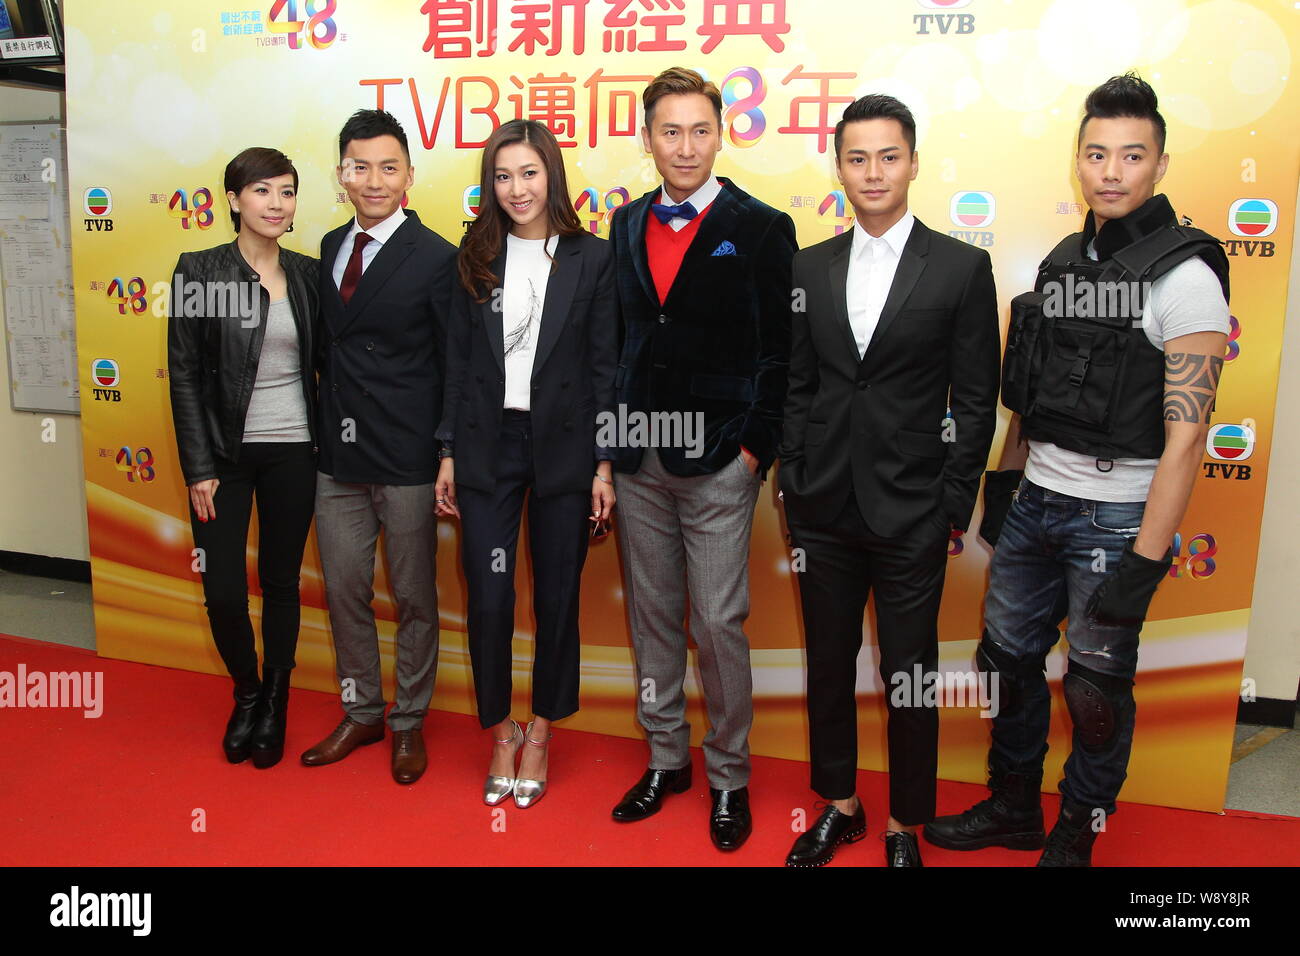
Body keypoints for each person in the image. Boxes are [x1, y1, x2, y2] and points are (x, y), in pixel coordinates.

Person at [924, 74, 1230, 866]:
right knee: (1006, 663)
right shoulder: (1066, 260)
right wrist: (1003, 482)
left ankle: (1076, 833)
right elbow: (1033, 392)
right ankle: (1016, 807)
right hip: (1037, 500)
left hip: (1118, 514)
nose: (1112, 171)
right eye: (1096, 154)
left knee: (1095, 690)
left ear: (1160, 164)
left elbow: (1189, 438)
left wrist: (1145, 559)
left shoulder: (1186, 279)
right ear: (1078, 161)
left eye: (1132, 155)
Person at [778, 95, 1002, 867]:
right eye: (857, 157)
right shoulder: (809, 264)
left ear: (913, 161)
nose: (872, 172)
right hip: (822, 509)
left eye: (888, 156)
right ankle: (839, 805)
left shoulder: (962, 267)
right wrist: (793, 478)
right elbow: (798, 384)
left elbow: (975, 402)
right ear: (838, 166)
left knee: (909, 678)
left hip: (912, 512)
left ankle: (907, 821)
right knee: (829, 669)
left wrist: (950, 504)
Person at [605, 67, 797, 851]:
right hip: (637, 458)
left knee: (718, 624)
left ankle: (728, 776)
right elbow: (618, 339)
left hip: (720, 458)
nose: (684, 146)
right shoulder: (622, 225)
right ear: (647, 137)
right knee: (652, 619)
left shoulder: (760, 225)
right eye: (669, 131)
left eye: (699, 130)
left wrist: (755, 449)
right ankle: (665, 758)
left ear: (722, 133)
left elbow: (781, 354)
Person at [433, 120, 617, 809]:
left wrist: (605, 462)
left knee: (558, 596)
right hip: (487, 444)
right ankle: (501, 729)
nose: (517, 189)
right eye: (503, 176)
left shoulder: (591, 259)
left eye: (530, 173)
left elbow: (605, 367)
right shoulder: (474, 254)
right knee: (489, 597)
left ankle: (542, 729)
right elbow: (456, 361)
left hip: (566, 446)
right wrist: (447, 449)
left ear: (553, 177)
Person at [300, 110, 458, 785]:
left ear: (409, 177)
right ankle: (361, 708)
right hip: (336, 459)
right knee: (343, 590)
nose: (373, 180)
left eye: (387, 167)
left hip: (408, 457)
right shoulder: (330, 245)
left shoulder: (439, 258)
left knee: (416, 598)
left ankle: (407, 721)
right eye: (359, 167)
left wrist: (448, 450)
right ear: (341, 174)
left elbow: (458, 365)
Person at [167, 147, 320, 769]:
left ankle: (277, 698)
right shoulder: (199, 272)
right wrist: (199, 465)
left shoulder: (309, 275)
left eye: (286, 192)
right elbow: (183, 376)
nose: (276, 204)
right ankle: (248, 692)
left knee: (282, 581)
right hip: (224, 458)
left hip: (294, 451)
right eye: (262, 191)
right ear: (233, 199)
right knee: (224, 590)